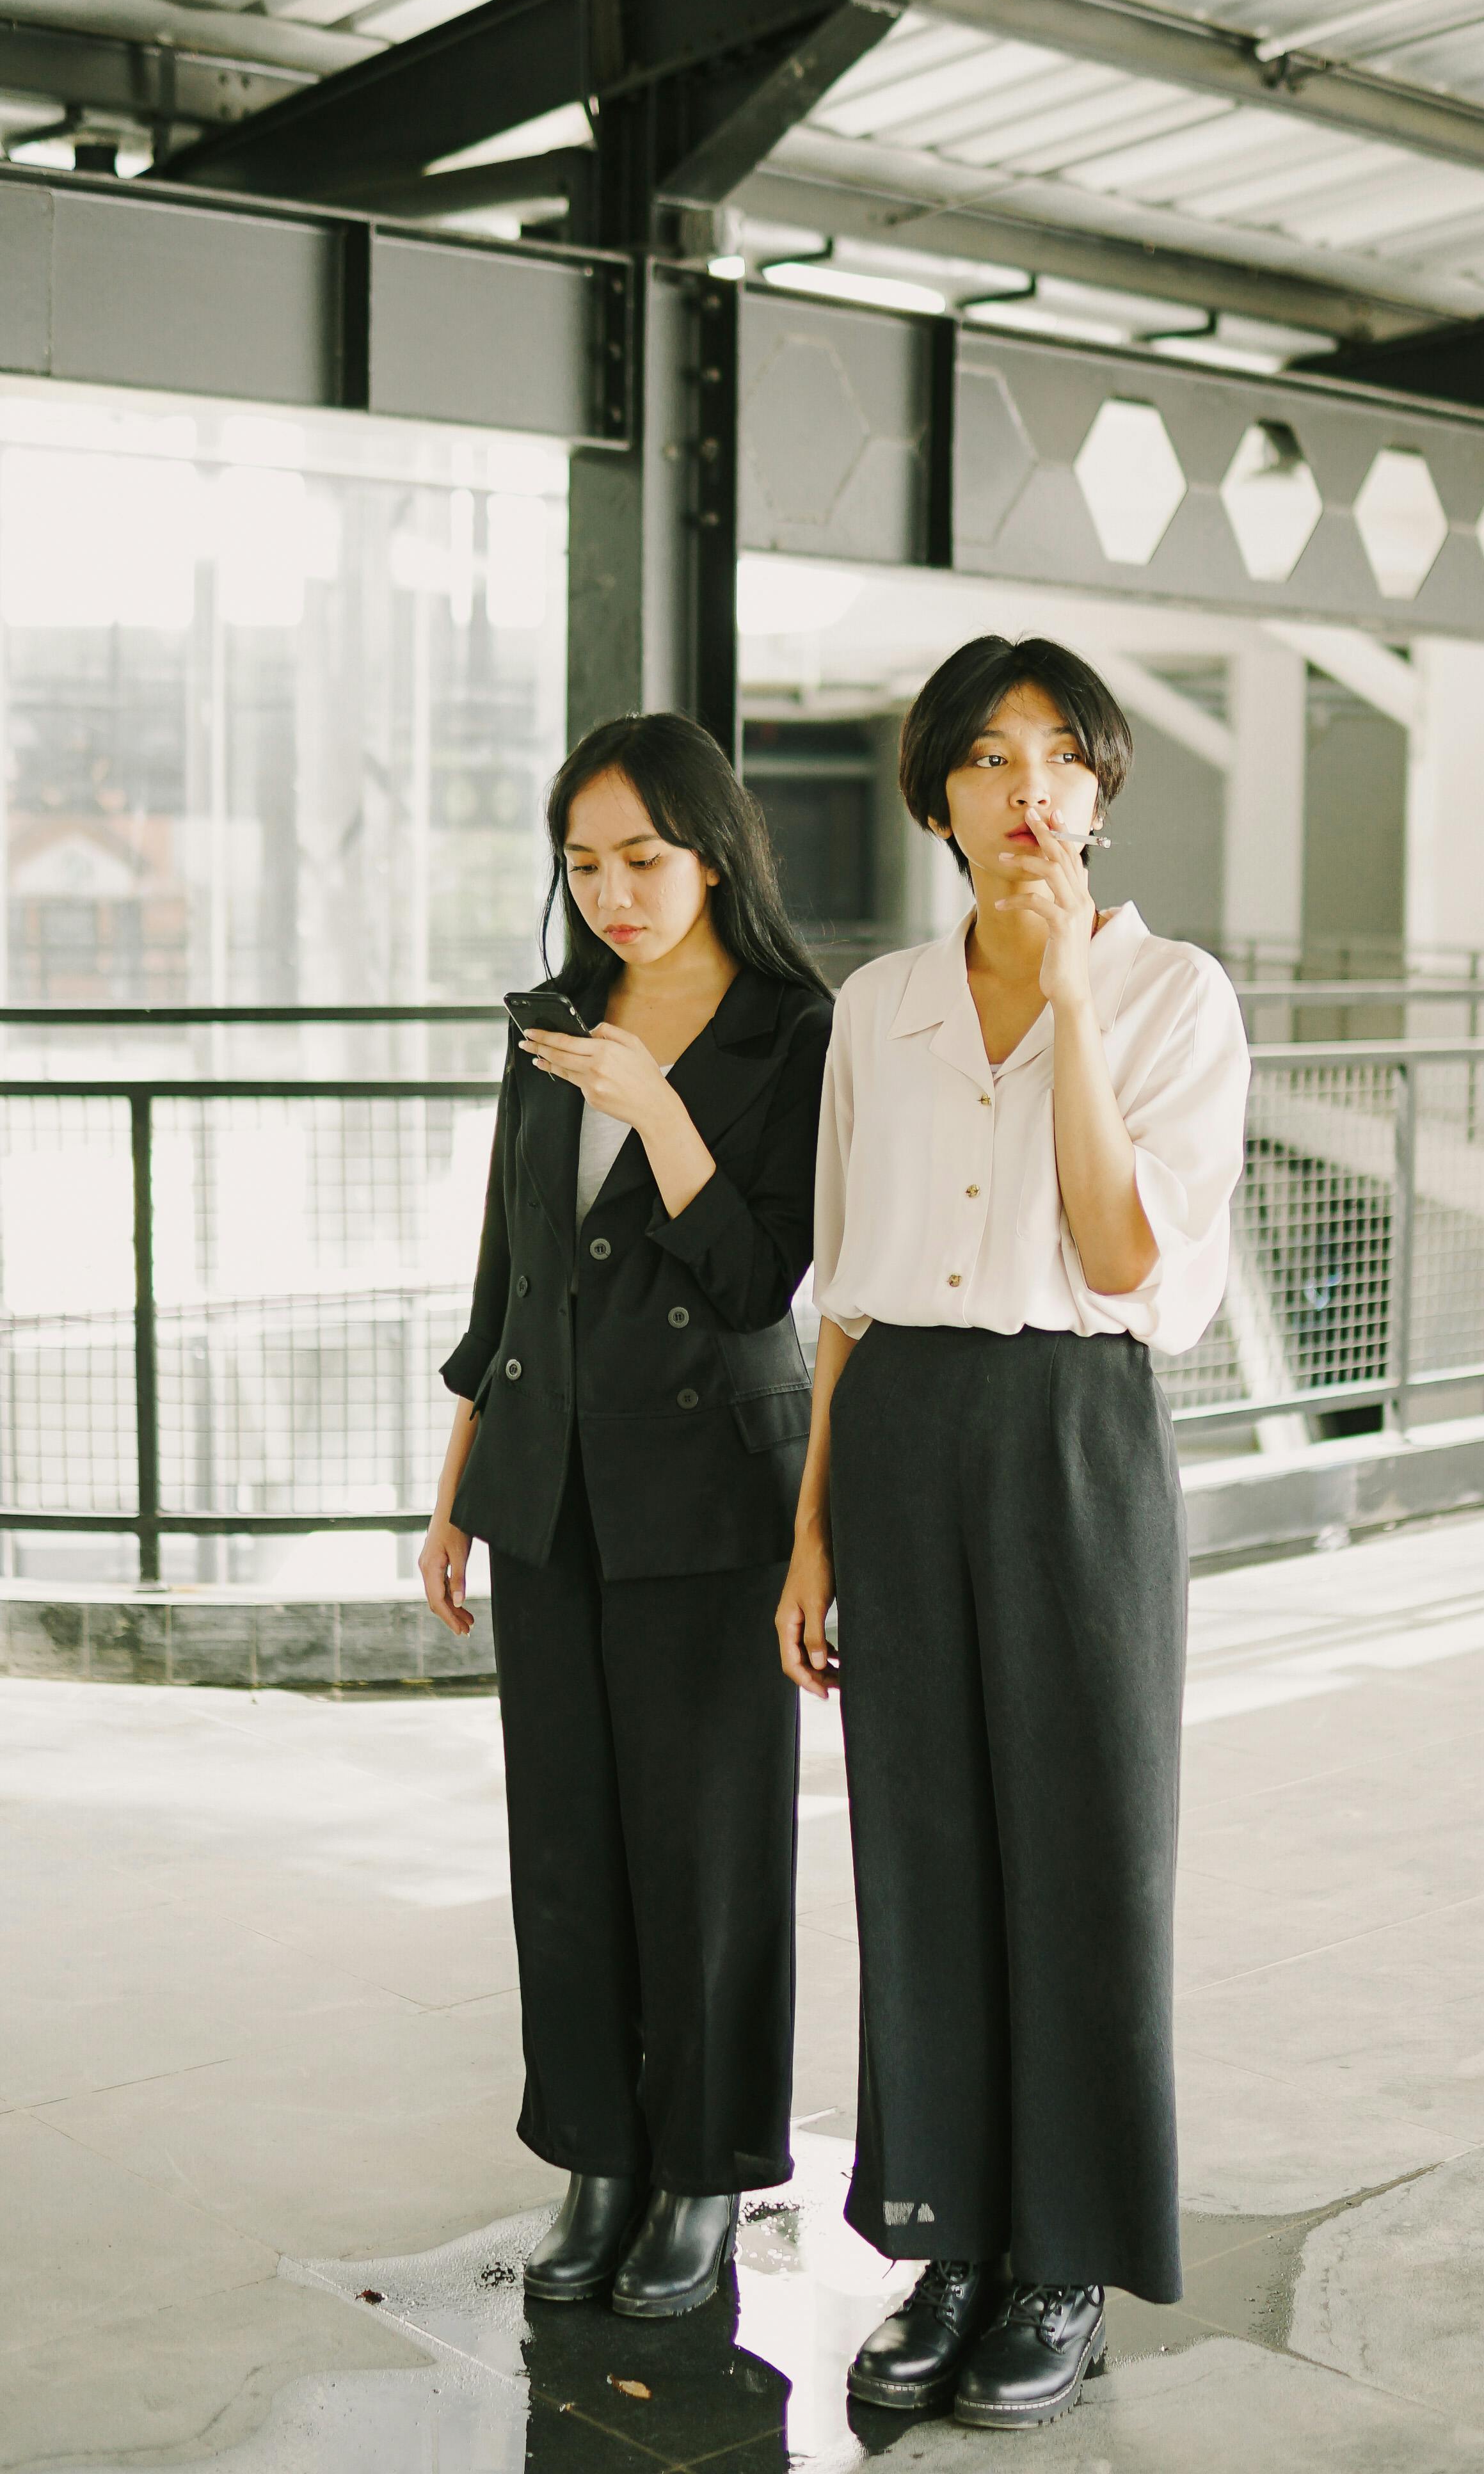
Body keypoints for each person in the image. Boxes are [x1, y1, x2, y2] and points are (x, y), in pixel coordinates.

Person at [776, 637, 1250, 2430]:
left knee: (1087, 1849)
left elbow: (1126, 1258)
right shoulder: (876, 1008)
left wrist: (1063, 1004)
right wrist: (811, 1532)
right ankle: (948, 2235)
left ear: (1103, 790)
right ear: (939, 795)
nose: (1026, 783)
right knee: (924, 1855)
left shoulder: (1174, 998)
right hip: (898, 1437)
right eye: (986, 755)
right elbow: (841, 1289)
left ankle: (1062, 2261)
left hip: (1073, 1433)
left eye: (1061, 752)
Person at [421, 712, 831, 2320]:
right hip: (548, 1484)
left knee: (708, 1847)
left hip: (714, 1490)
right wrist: (459, 1479)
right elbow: (507, 1268)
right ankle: (596, 2151)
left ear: (714, 849)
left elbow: (752, 1282)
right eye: (584, 864)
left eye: (642, 860)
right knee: (571, 1843)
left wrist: (656, 1104)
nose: (612, 893)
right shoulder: (550, 1017)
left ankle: (705, 2176)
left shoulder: (797, 1030)